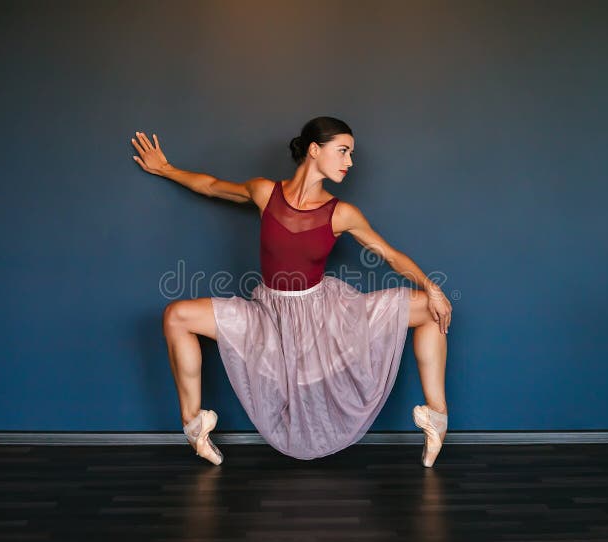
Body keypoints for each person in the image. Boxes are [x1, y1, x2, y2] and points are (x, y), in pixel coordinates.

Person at [131, 116, 452, 467]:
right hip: (268, 316)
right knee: (176, 316)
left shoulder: (341, 213)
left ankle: (436, 418)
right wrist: (166, 169)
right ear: (314, 150)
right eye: (343, 151)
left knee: (433, 308)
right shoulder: (265, 192)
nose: (350, 162)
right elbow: (210, 185)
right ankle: (194, 427)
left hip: (323, 320)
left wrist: (431, 286)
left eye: (351, 154)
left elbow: (389, 254)